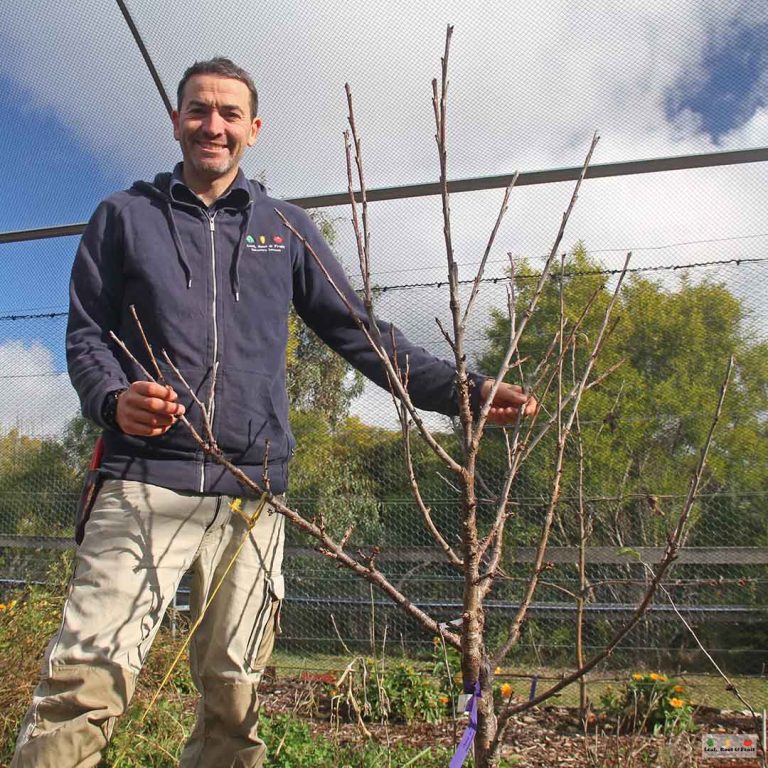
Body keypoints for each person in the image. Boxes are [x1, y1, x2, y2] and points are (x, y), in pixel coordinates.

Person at [12, 58, 535, 768]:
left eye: (230, 114)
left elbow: (360, 333)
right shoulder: (124, 216)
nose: (213, 125)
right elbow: (84, 335)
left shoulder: (283, 228)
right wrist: (112, 399)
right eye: (199, 110)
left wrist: (463, 391)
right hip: (144, 481)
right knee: (84, 684)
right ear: (176, 122)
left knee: (234, 694)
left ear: (253, 130)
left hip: (252, 498)